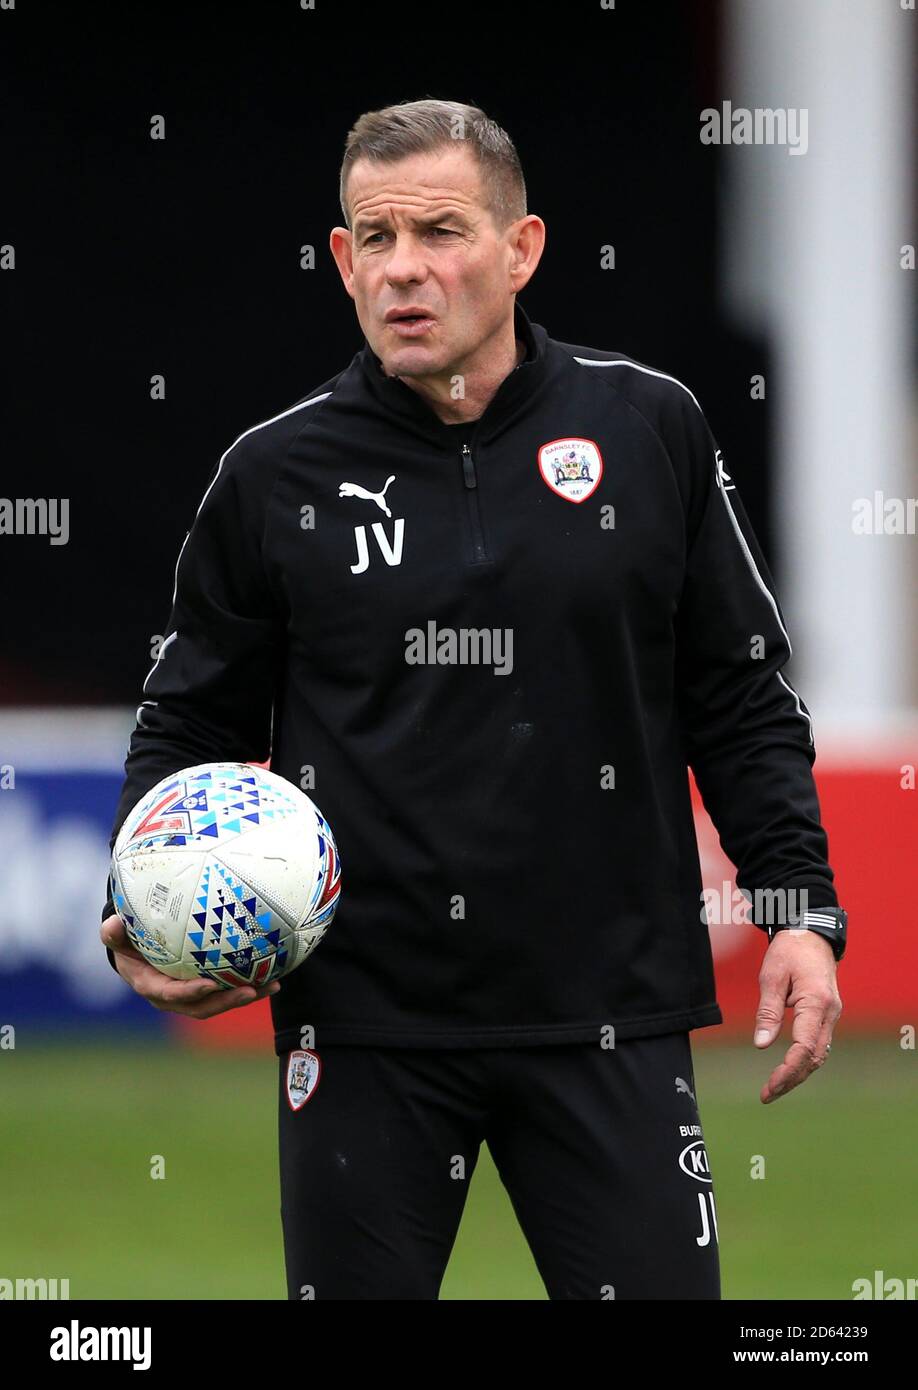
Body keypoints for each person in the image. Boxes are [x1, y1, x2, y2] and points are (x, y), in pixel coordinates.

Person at [100, 97, 846, 1300]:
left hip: (609, 1012)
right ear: (342, 260)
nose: (406, 269)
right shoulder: (272, 474)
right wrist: (138, 903)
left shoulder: (648, 427)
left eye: (441, 231)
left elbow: (741, 697)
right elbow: (189, 721)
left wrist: (801, 908)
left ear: (522, 248)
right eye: (376, 240)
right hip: (365, 1028)